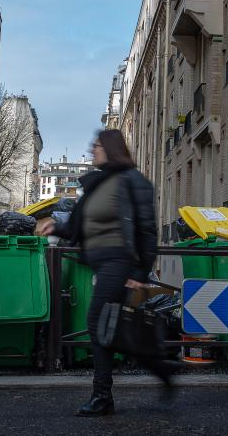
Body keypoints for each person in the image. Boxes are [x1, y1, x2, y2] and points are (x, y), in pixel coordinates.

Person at [35, 129, 173, 416]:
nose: (92, 150)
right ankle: (159, 367)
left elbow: (147, 229)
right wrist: (56, 227)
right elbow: (79, 225)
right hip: (101, 263)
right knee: (114, 328)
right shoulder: (98, 183)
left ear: (111, 148)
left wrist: (140, 270)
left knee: (98, 323)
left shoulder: (133, 182)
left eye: (96, 146)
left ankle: (102, 395)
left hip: (119, 263)